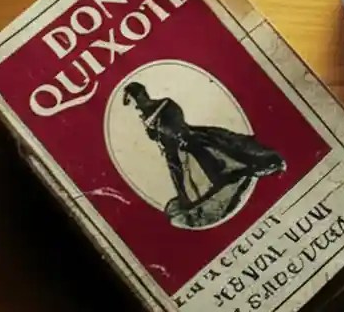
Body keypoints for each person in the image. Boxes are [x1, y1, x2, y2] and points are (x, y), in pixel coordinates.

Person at [122, 81, 285, 228]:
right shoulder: (145, 116)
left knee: (213, 165)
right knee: (188, 184)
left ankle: (246, 172)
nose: (136, 106)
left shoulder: (165, 104)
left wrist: (174, 135)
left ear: (141, 95)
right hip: (173, 153)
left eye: (135, 101)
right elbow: (156, 136)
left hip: (187, 144)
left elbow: (176, 122)